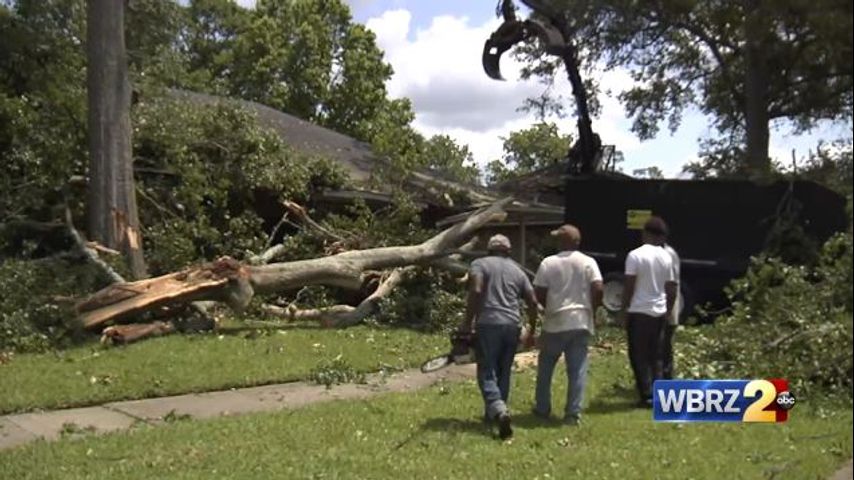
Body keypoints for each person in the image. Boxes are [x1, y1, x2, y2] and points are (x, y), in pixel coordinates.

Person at [459, 234, 538, 440]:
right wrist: (532, 328)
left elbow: (476, 289)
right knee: (504, 372)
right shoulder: (518, 270)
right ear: (508, 251)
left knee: (487, 371)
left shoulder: (479, 264)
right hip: (513, 325)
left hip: (489, 323)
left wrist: (467, 322)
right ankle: (495, 415)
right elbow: (532, 301)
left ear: (489, 250)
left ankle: (498, 409)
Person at [532, 224, 603, 425]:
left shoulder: (548, 263)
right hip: (580, 320)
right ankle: (572, 413)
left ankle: (542, 408)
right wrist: (592, 308)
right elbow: (598, 288)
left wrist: (548, 306)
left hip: (555, 321)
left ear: (562, 242)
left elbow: (538, 292)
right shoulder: (588, 262)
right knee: (577, 369)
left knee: (546, 366)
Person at [619, 216, 677, 407]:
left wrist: (624, 310)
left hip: (639, 310)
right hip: (658, 311)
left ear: (645, 233)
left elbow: (629, 285)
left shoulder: (635, 255)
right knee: (656, 355)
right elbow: (671, 287)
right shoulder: (666, 257)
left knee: (639, 354)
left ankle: (646, 394)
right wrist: (668, 310)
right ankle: (659, 393)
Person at [661, 242, 681, 380]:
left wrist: (668, 311)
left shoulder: (667, 254)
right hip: (663, 307)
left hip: (667, 308)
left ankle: (666, 378)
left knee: (664, 347)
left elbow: (671, 285)